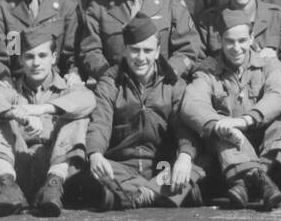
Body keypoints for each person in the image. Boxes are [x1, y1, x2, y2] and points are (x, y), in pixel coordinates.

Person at [79, 14, 206, 210]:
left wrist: (185, 156)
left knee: (198, 163)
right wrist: (96, 154)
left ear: (157, 52)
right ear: (125, 51)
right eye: (135, 50)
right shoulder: (110, 83)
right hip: (122, 165)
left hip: (162, 166)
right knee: (92, 170)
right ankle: (165, 195)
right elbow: (100, 123)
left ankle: (134, 196)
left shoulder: (174, 84)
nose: (141, 58)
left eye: (147, 51)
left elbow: (184, 126)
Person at [0, 30, 97, 217]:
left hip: (52, 166)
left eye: (42, 56)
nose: (36, 63)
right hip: (17, 166)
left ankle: (53, 186)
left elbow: (88, 100)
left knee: (76, 117)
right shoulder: (12, 90)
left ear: (54, 58)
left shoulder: (68, 88)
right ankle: (6, 186)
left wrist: (43, 109)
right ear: (22, 60)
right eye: (29, 57)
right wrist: (13, 113)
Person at [180, 10, 281, 211]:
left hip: (260, 139)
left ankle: (250, 178)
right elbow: (192, 104)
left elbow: (278, 92)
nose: (236, 48)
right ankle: (258, 180)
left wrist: (245, 120)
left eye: (242, 40)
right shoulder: (208, 70)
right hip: (228, 147)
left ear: (251, 39)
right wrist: (221, 126)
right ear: (220, 40)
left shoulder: (267, 63)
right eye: (230, 41)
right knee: (218, 125)